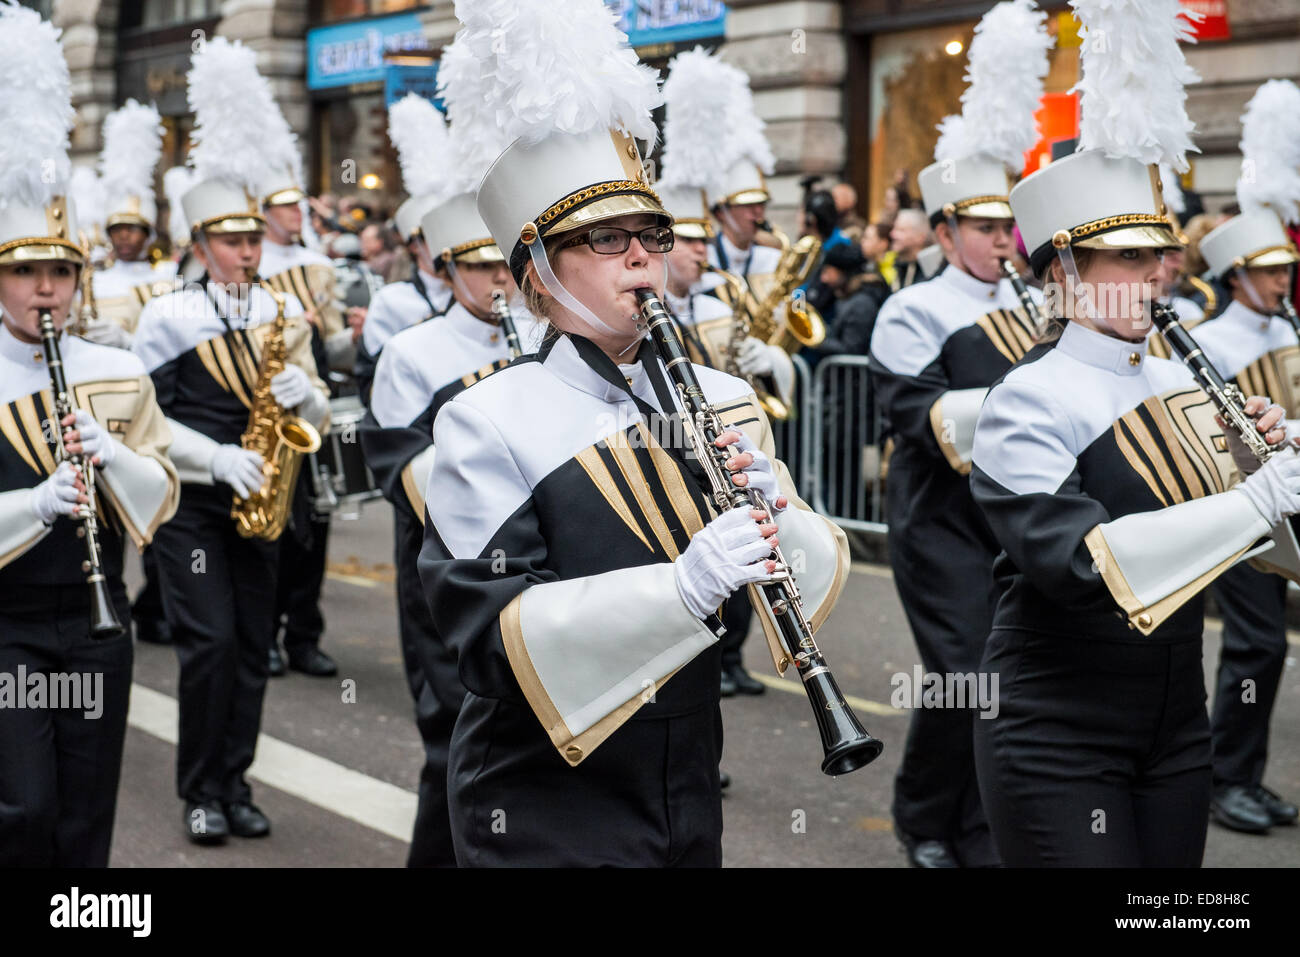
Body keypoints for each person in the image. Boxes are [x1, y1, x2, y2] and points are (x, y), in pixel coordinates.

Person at [418, 0, 849, 865]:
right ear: (536, 275)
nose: (643, 256)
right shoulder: (486, 419)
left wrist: (781, 518)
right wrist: (679, 591)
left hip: (687, 771)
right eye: (604, 239)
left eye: (652, 233)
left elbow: (801, 582)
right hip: (542, 789)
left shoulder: (722, 397)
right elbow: (486, 638)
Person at [968, 0, 1300, 867]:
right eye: (1128, 256)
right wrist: (1250, 501)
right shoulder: (1025, 400)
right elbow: (1082, 563)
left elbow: (1274, 559)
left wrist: (1260, 472)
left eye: (1157, 253)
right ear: (1066, 269)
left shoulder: (1184, 376)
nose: (1157, 273)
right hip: (1054, 721)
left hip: (1175, 715)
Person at [132, 37, 330, 845]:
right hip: (192, 501)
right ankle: (198, 790)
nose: (249, 250)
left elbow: (315, 415)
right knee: (209, 644)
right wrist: (214, 456)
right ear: (201, 243)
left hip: (263, 498)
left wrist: (305, 394)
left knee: (253, 645)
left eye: (254, 237)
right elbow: (139, 421)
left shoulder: (283, 311)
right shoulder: (164, 315)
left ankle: (235, 779)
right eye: (232, 239)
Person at [868, 0, 1052, 867]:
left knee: (1004, 677)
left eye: (1001, 226)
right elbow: (917, 417)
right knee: (963, 671)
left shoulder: (1031, 301)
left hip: (1009, 519)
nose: (998, 241)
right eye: (981, 228)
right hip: (939, 520)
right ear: (943, 232)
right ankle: (924, 815)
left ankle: (975, 824)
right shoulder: (913, 309)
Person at [0, 1, 179, 866]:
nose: (45, 290)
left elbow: (160, 503)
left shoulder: (118, 372)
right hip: (9, 627)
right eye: (26, 272)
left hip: (97, 623)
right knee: (24, 807)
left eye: (59, 272)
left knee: (85, 814)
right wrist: (37, 501)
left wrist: (110, 458)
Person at [361, 193, 535, 867]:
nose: (500, 280)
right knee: (456, 736)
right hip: (445, 569)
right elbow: (408, 473)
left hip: (528, 561)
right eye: (481, 265)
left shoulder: (541, 339)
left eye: (506, 265)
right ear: (443, 268)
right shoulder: (411, 353)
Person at [1192, 204, 1300, 834]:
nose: (1283, 282)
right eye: (1269, 272)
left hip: (1289, 499)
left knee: (1269, 648)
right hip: (1243, 505)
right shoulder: (1212, 340)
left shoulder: (1287, 329)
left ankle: (1244, 776)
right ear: (1236, 275)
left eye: (1286, 269)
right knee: (1256, 641)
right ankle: (1224, 778)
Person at [258, 166, 347, 679]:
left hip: (313, 399)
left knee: (314, 525)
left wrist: (342, 335)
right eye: (287, 206)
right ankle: (266, 631)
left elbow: (336, 346)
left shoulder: (319, 267)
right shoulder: (250, 264)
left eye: (300, 206)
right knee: (275, 528)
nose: (298, 215)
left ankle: (304, 635)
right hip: (269, 405)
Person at [353, 94, 457, 402]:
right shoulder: (391, 301)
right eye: (429, 237)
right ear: (413, 245)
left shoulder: (475, 293)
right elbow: (371, 380)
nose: (442, 245)